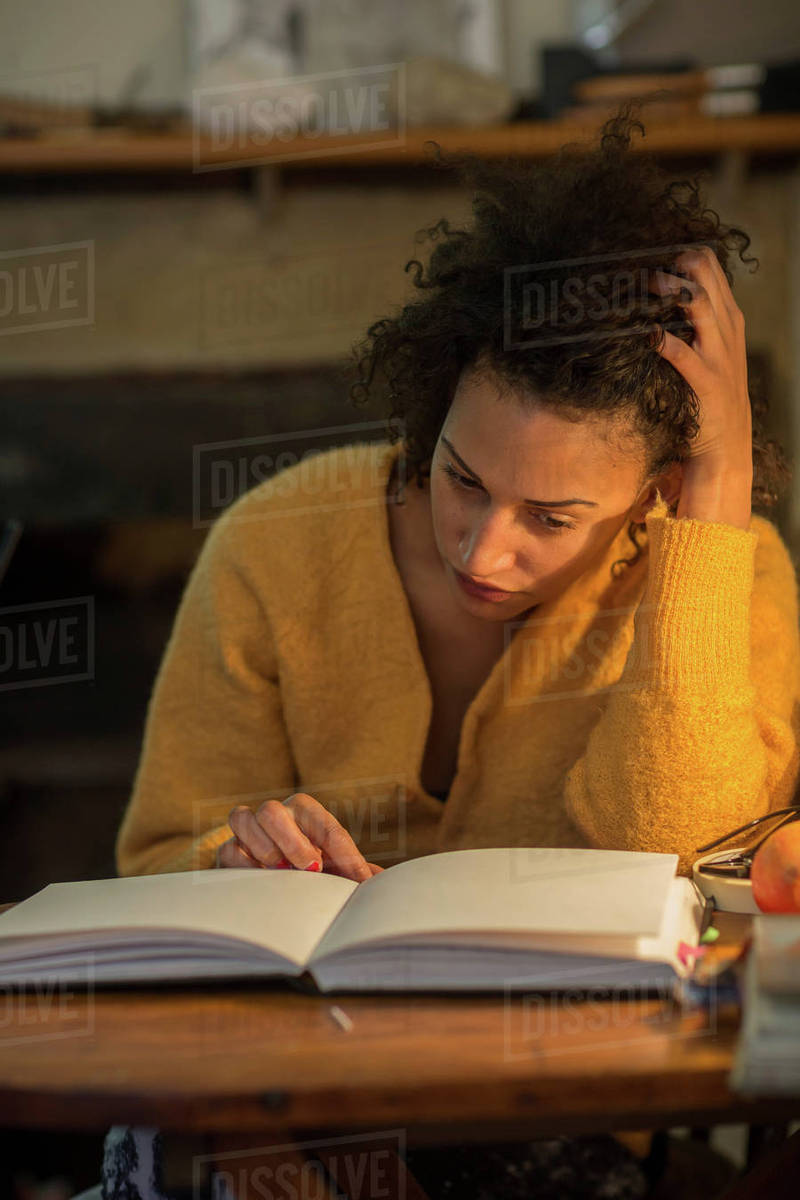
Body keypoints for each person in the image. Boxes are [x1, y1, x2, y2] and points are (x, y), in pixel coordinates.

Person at [101, 107, 798, 1199]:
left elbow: (686, 860)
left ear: (651, 492)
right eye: (459, 476)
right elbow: (150, 867)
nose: (482, 548)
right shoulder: (276, 541)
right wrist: (228, 867)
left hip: (553, 1111)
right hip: (287, 1080)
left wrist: (709, 510)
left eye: (552, 516)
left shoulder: (726, 567)